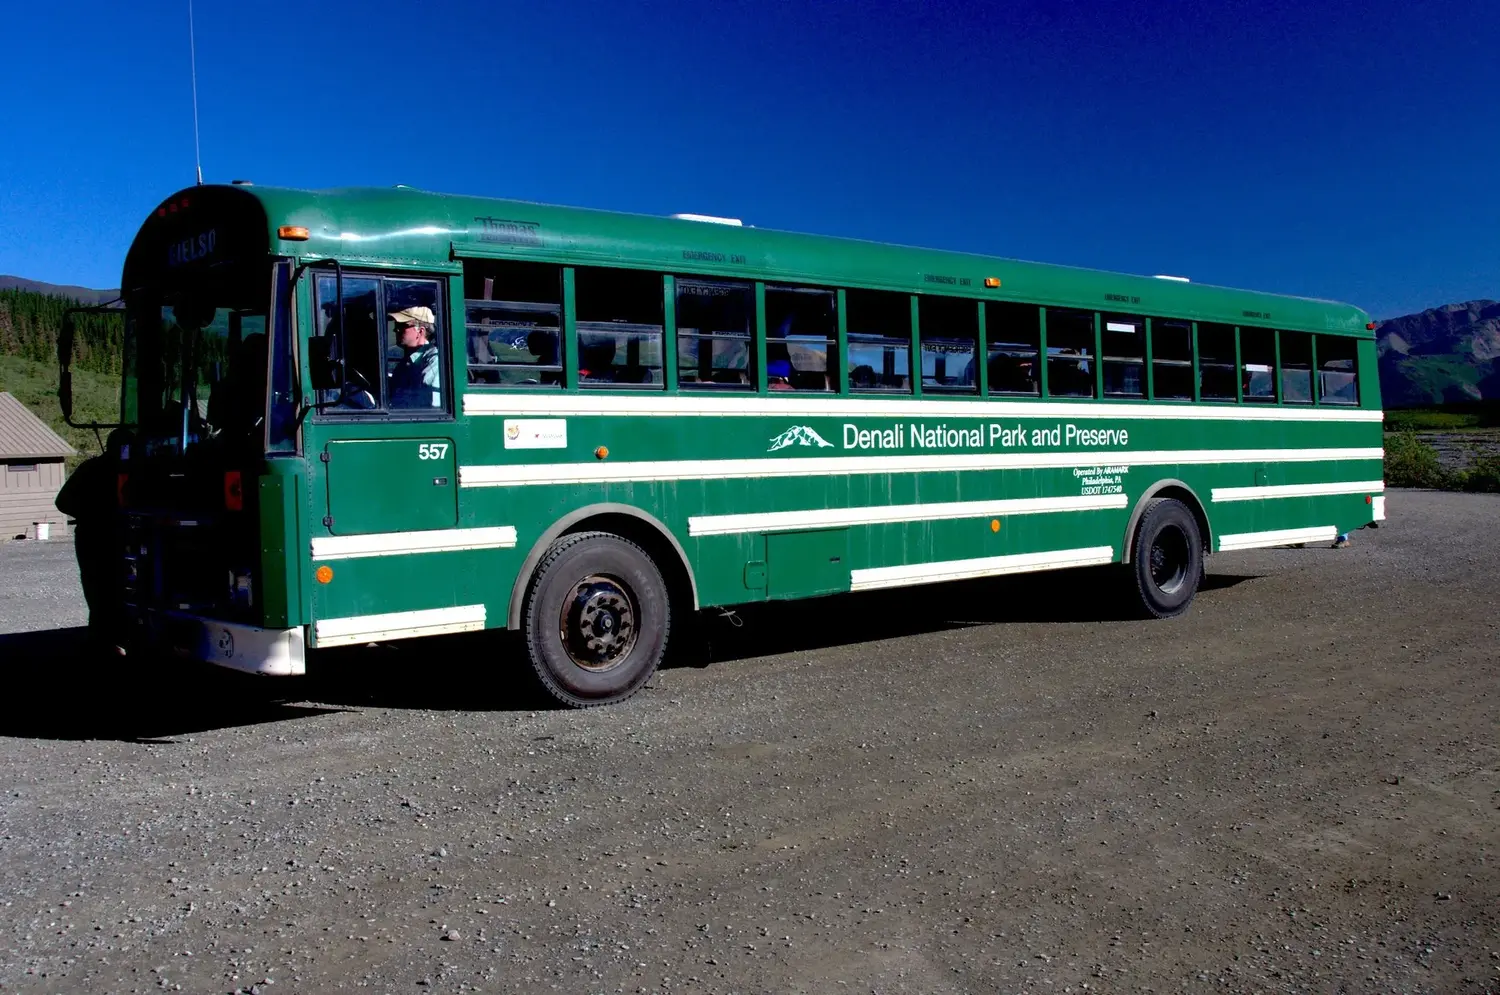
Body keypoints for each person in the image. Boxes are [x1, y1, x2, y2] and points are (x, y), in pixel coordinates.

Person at [55, 428, 131, 657]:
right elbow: (63, 502)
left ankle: (105, 639)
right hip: (100, 537)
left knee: (101, 589)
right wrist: (95, 515)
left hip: (97, 536)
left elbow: (63, 501)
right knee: (104, 589)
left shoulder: (93, 468)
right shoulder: (103, 470)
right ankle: (104, 641)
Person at [388, 306, 441, 408]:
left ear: (420, 331)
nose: (395, 330)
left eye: (402, 326)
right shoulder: (405, 363)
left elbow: (429, 405)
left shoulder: (434, 360)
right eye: (396, 325)